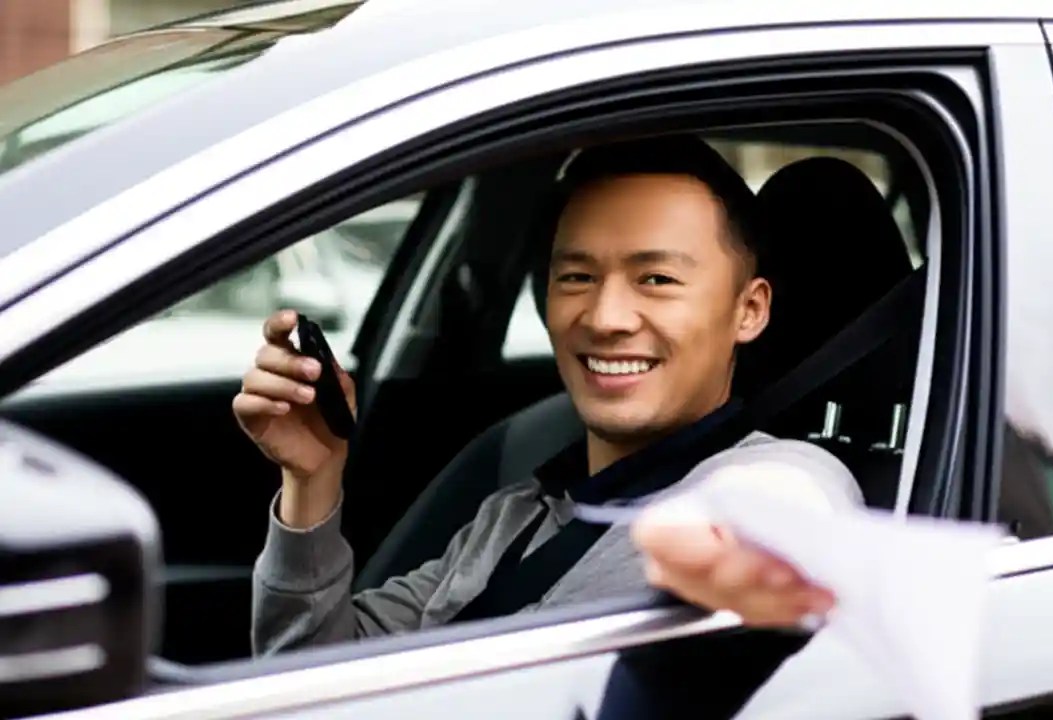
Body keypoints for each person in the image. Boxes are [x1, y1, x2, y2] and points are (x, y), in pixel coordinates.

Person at [234, 135, 856, 656]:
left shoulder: (775, 486)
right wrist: (311, 482)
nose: (607, 316)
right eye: (577, 277)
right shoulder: (514, 514)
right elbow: (312, 679)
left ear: (749, 311)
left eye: (657, 279)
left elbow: (788, 513)